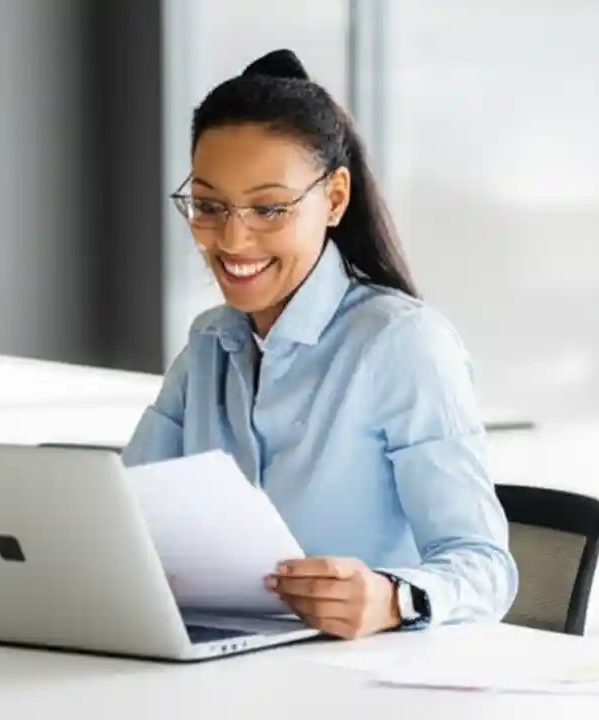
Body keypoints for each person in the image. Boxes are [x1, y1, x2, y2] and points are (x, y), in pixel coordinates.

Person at [122, 49, 517, 640]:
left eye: (269, 208)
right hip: (218, 669)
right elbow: (125, 522)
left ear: (333, 198)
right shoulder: (209, 344)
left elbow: (484, 566)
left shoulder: (402, 345)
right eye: (208, 206)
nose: (232, 238)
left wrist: (391, 598)